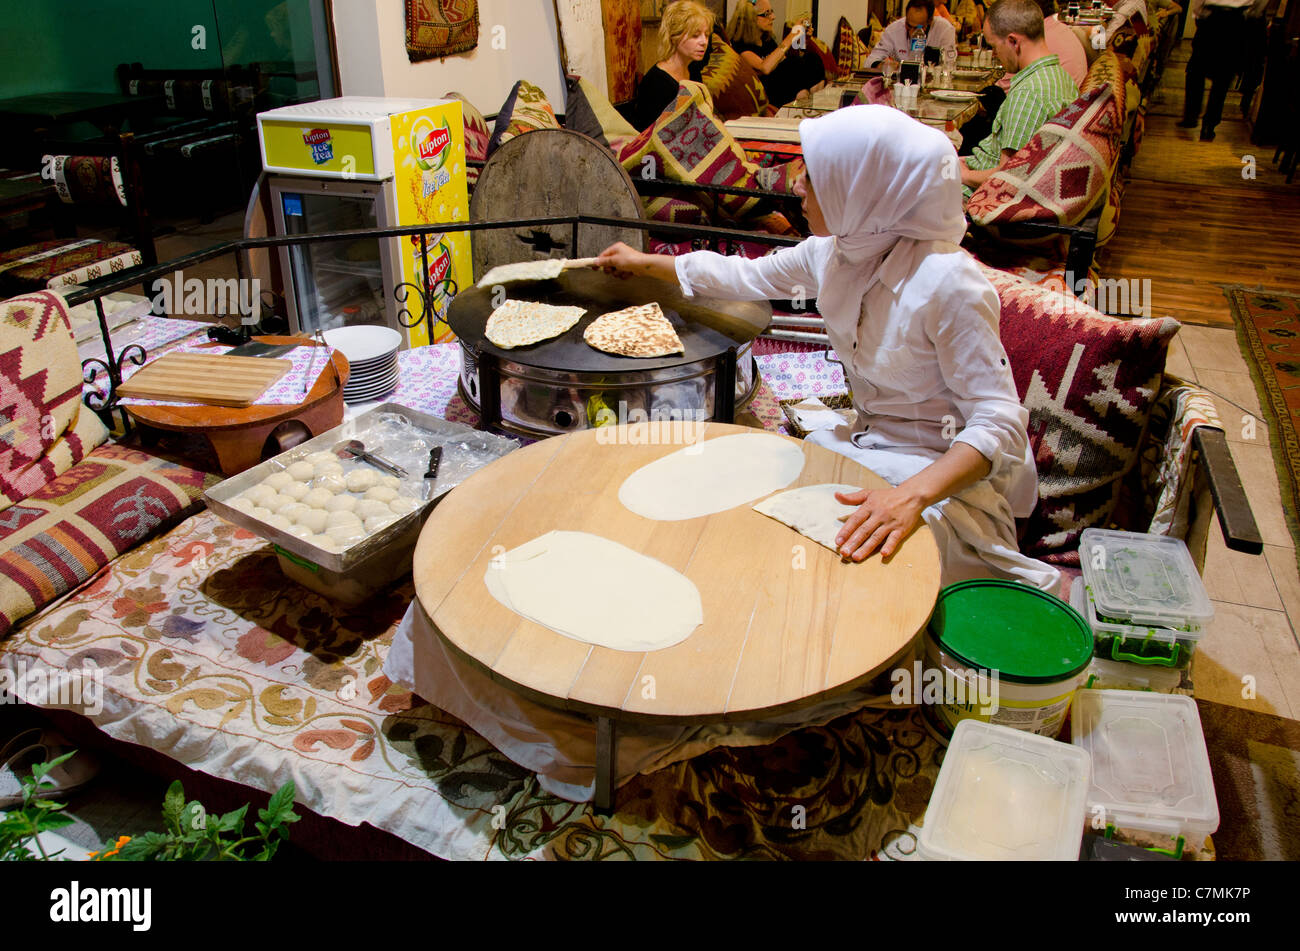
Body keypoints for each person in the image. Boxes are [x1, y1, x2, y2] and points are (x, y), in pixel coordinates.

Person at [596, 105, 1059, 594]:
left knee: (856, 569)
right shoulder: (839, 251)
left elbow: (999, 422)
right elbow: (745, 276)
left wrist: (907, 499)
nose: (798, 187)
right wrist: (645, 263)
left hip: (943, 479)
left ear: (863, 190)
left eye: (814, 177)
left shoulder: (949, 284)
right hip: (874, 446)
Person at [960, 0, 1078, 191]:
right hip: (981, 169)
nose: (995, 55)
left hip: (977, 193)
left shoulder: (1028, 95)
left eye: (994, 47)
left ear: (1013, 41)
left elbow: (1008, 178)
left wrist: (962, 174)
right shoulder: (1061, 77)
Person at [1178, 0, 1270, 141]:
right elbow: (1260, 3)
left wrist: (1199, 14)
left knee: (1198, 71)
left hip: (1216, 17)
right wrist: (1250, 15)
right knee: (1218, 78)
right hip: (1237, 19)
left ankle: (1193, 116)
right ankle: (1208, 124)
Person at [727, 0, 825, 107]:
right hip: (768, 90)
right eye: (766, 14)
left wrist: (803, 39)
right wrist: (792, 35)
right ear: (751, 19)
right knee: (794, 69)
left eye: (771, 12)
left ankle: (815, 106)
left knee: (812, 59)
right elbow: (765, 68)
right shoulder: (740, 44)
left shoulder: (766, 39)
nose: (773, 17)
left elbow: (785, 59)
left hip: (785, 85)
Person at [633, 0, 713, 131]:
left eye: (706, 35)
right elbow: (653, 136)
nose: (704, 42)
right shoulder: (656, 82)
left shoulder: (693, 70)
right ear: (674, 36)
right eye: (695, 35)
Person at [864, 0, 959, 67]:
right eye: (909, 26)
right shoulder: (894, 29)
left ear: (930, 21)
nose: (912, 32)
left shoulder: (945, 29)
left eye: (918, 28)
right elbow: (870, 60)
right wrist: (880, 65)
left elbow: (949, 64)